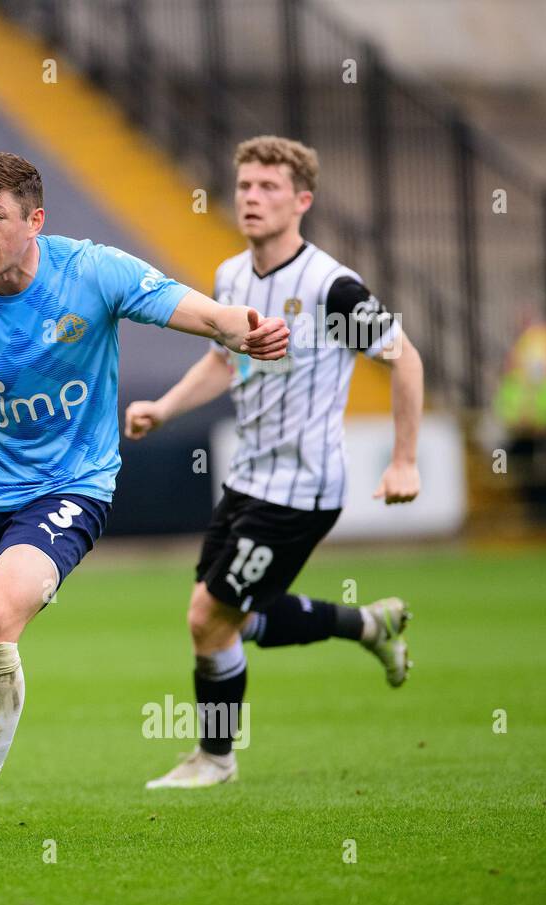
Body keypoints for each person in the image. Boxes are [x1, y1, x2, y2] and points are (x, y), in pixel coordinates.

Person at [0, 151, 289, 845]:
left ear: (34, 221)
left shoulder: (91, 271)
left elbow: (185, 307)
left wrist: (237, 326)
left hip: (67, 491)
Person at [129, 136, 424, 790]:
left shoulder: (330, 287)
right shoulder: (233, 276)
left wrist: (405, 460)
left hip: (301, 489)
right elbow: (220, 358)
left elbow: (403, 357)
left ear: (302, 201)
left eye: (268, 188)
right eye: (245, 187)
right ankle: (368, 624)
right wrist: (164, 408)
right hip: (247, 479)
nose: (253, 198)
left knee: (209, 617)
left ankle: (215, 758)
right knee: (236, 615)